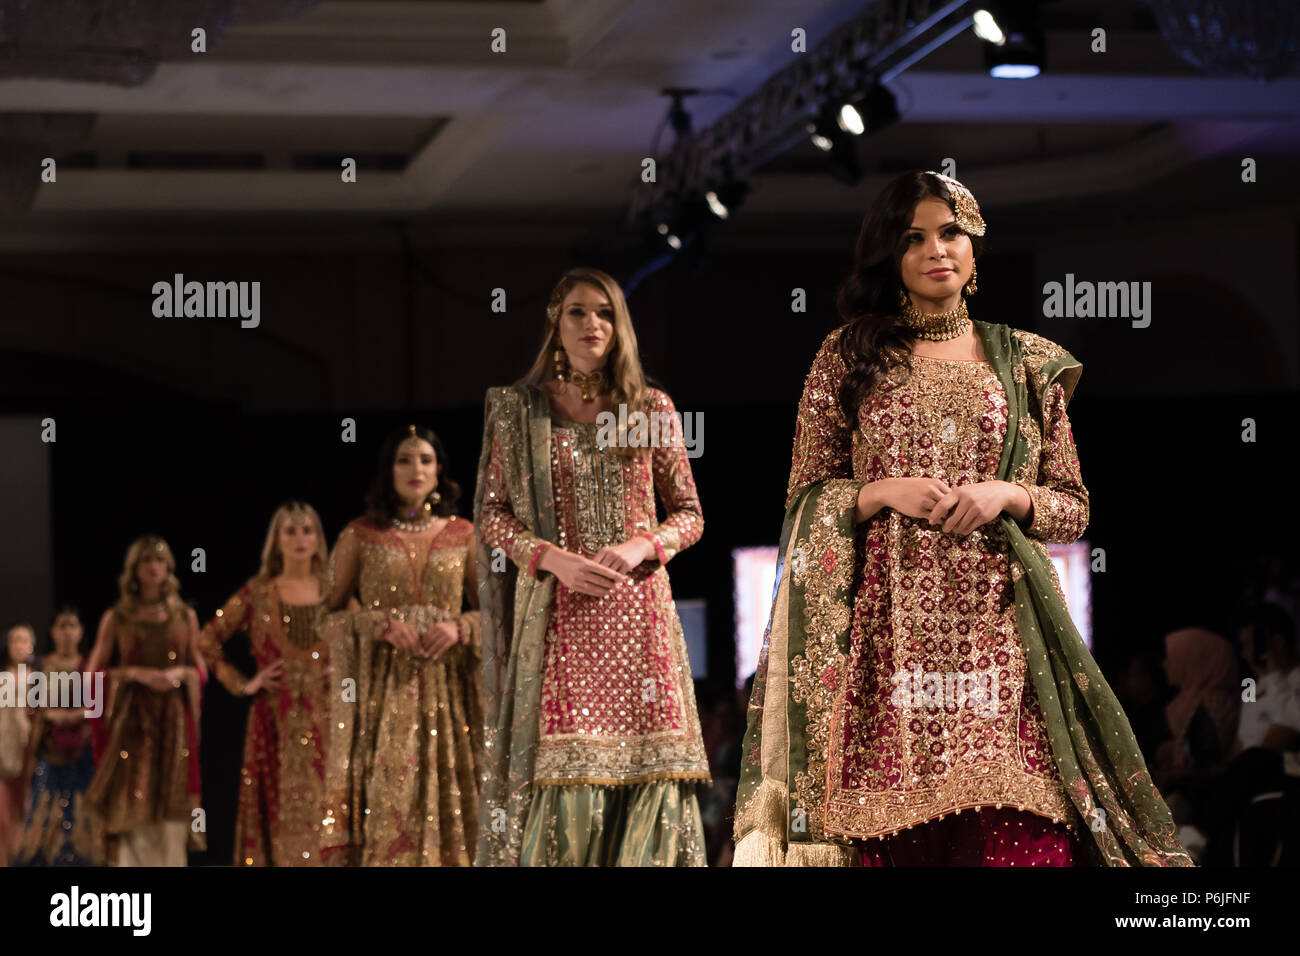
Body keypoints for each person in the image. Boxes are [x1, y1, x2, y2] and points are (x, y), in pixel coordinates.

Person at [734, 170, 1191, 867]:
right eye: (913, 238)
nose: (935, 250)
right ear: (890, 254)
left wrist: (1006, 496)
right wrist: (882, 491)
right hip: (889, 652)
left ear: (974, 247)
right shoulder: (847, 356)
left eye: (950, 232)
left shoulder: (1028, 364)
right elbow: (805, 498)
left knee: (1024, 841)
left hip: (1004, 638)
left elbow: (1071, 506)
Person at [474, 266, 710, 867]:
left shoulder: (648, 406)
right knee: (567, 778)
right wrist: (553, 560)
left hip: (641, 621)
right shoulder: (521, 412)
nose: (592, 325)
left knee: (653, 771)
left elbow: (689, 514)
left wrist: (641, 548)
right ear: (557, 322)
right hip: (562, 622)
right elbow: (493, 517)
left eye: (605, 313)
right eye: (578, 311)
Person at [320, 425, 482, 866]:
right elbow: (324, 617)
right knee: (389, 796)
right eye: (404, 459)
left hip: (450, 700)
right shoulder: (360, 534)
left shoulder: (463, 533)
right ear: (388, 470)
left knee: (454, 801)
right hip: (381, 698)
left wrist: (462, 627)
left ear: (440, 471)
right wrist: (377, 624)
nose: (416, 469)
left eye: (426, 460)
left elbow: (498, 614)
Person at [198, 502, 332, 865]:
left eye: (308, 530)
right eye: (290, 530)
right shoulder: (258, 593)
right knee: (277, 819)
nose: (300, 538)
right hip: (274, 723)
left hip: (328, 726)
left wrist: (346, 674)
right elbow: (206, 640)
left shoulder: (336, 592)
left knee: (329, 820)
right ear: (276, 540)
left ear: (319, 538)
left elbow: (363, 641)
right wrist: (243, 684)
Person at [85, 536, 207, 866]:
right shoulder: (118, 618)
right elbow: (93, 672)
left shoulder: (185, 616)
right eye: (145, 561)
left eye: (159, 560)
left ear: (168, 568)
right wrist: (136, 674)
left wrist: (182, 675)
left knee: (172, 807)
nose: (153, 567)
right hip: (132, 724)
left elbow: (199, 667)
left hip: (173, 722)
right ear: (134, 570)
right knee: (132, 799)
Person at [12, 608, 104, 865]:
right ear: (53, 631)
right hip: (49, 751)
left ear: (80, 631)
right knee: (44, 811)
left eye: (72, 625)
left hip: (82, 751)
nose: (66, 632)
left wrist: (77, 717)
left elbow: (99, 706)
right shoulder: (41, 666)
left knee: (82, 813)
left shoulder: (90, 665)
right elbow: (31, 707)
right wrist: (51, 715)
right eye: (61, 626)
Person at [0, 624, 36, 865]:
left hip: (31, 749)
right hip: (4, 750)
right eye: (15, 640)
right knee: (4, 812)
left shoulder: (38, 678)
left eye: (24, 640)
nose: (19, 646)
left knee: (29, 807)